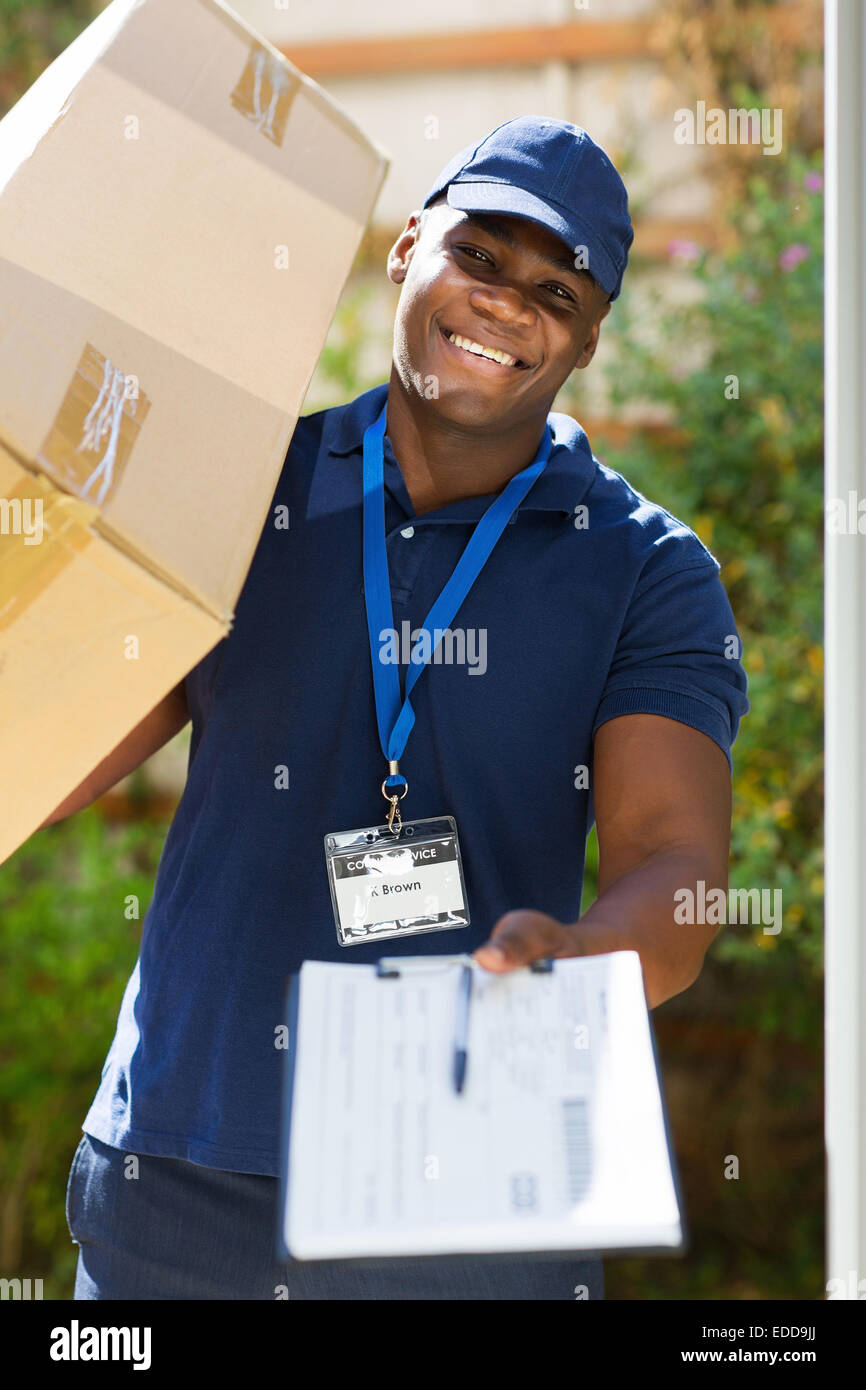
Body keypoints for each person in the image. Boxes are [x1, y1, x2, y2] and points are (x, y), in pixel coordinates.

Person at [45, 116, 749, 1300]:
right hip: (180, 1177)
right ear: (406, 247)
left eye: (554, 291)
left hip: (469, 1197)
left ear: (586, 339)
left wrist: (579, 960)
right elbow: (52, 751)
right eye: (478, 255)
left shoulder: (643, 568)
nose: (505, 303)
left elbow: (674, 862)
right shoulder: (243, 486)